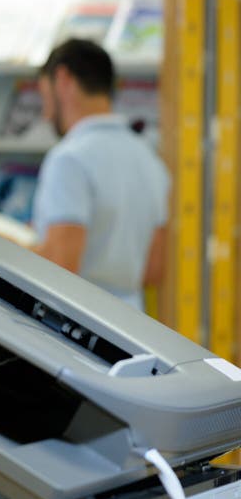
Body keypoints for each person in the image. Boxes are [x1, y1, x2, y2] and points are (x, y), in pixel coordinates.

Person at [32, 38, 169, 310]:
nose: (46, 114)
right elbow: (154, 269)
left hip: (76, 325)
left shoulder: (69, 159)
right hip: (131, 320)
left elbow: (61, 266)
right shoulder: (149, 159)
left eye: (45, 97)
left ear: (62, 79)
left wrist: (7, 246)